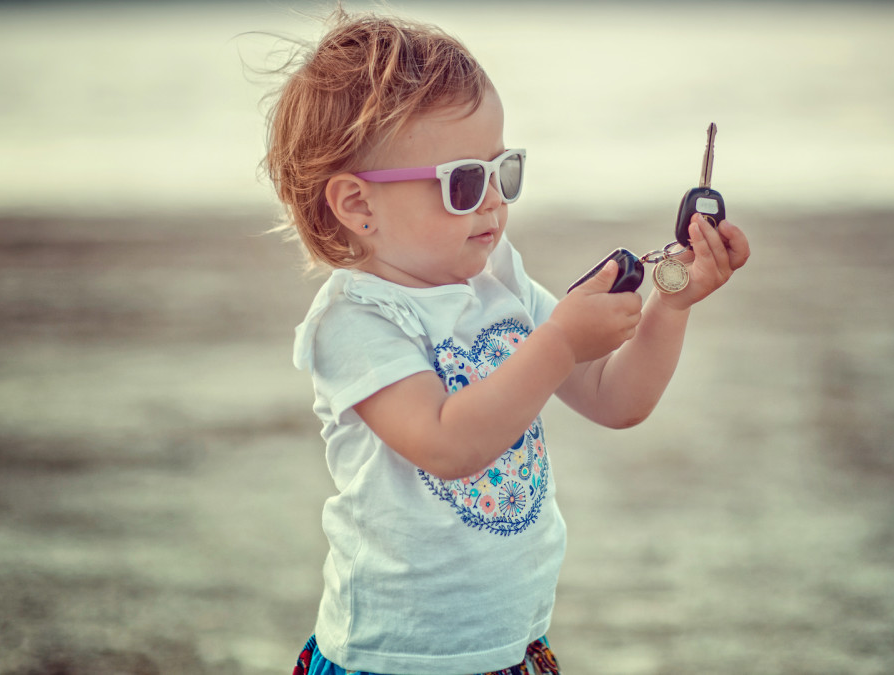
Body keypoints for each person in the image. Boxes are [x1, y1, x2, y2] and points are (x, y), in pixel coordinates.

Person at [263, 9, 750, 675]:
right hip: (397, 658)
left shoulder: (498, 276)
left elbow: (616, 398)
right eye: (463, 182)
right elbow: (448, 444)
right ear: (358, 205)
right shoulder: (355, 321)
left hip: (511, 645)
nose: (493, 199)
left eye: (503, 170)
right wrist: (559, 341)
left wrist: (671, 303)